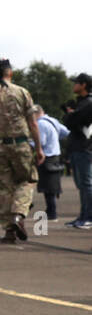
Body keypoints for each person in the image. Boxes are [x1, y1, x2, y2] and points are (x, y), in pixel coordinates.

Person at [0, 59, 43, 243]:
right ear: (10, 73)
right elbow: (33, 123)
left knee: (2, 188)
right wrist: (38, 148)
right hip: (20, 144)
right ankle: (19, 215)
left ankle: (8, 230)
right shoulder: (22, 92)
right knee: (27, 180)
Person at [64, 74, 92, 229]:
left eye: (76, 83)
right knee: (81, 184)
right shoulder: (82, 103)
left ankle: (88, 216)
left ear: (84, 85)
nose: (73, 86)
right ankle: (83, 215)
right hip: (77, 147)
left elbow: (73, 121)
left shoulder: (88, 103)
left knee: (86, 184)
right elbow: (71, 120)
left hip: (84, 148)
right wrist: (70, 114)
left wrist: (69, 114)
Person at [32, 104, 67, 221]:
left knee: (47, 188)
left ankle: (52, 213)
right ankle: (50, 211)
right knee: (52, 187)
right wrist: (55, 139)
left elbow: (41, 142)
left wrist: (29, 143)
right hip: (56, 156)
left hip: (46, 157)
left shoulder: (40, 124)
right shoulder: (53, 121)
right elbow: (66, 132)